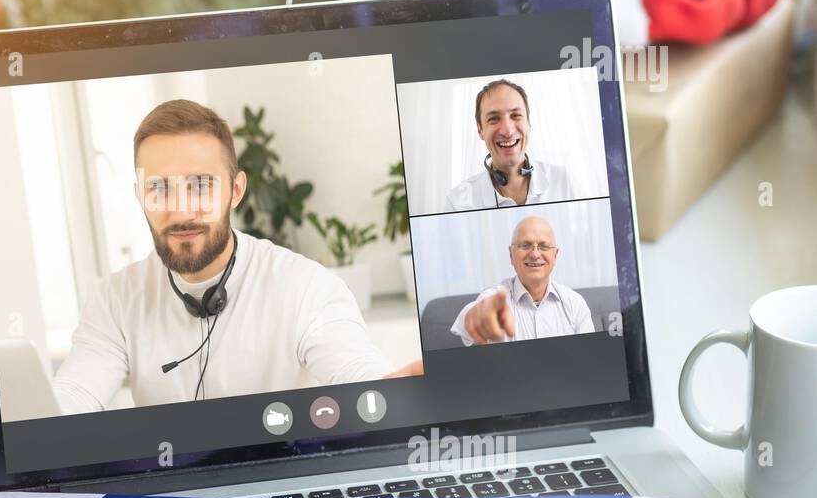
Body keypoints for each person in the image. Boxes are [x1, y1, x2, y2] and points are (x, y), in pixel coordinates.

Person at [52, 99, 422, 414]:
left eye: (200, 185)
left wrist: (389, 390)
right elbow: (75, 396)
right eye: (159, 188)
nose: (182, 211)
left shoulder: (305, 285)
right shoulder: (115, 300)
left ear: (236, 190)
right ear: (139, 197)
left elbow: (356, 369)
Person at [451, 215, 594, 346]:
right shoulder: (495, 300)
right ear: (511, 255)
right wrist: (474, 316)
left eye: (543, 246)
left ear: (555, 255)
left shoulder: (575, 304)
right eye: (525, 245)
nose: (535, 254)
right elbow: (474, 316)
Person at [444, 79, 582, 211]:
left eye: (516, 115)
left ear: (529, 123)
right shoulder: (457, 202)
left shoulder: (564, 182)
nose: (508, 131)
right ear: (480, 130)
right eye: (493, 119)